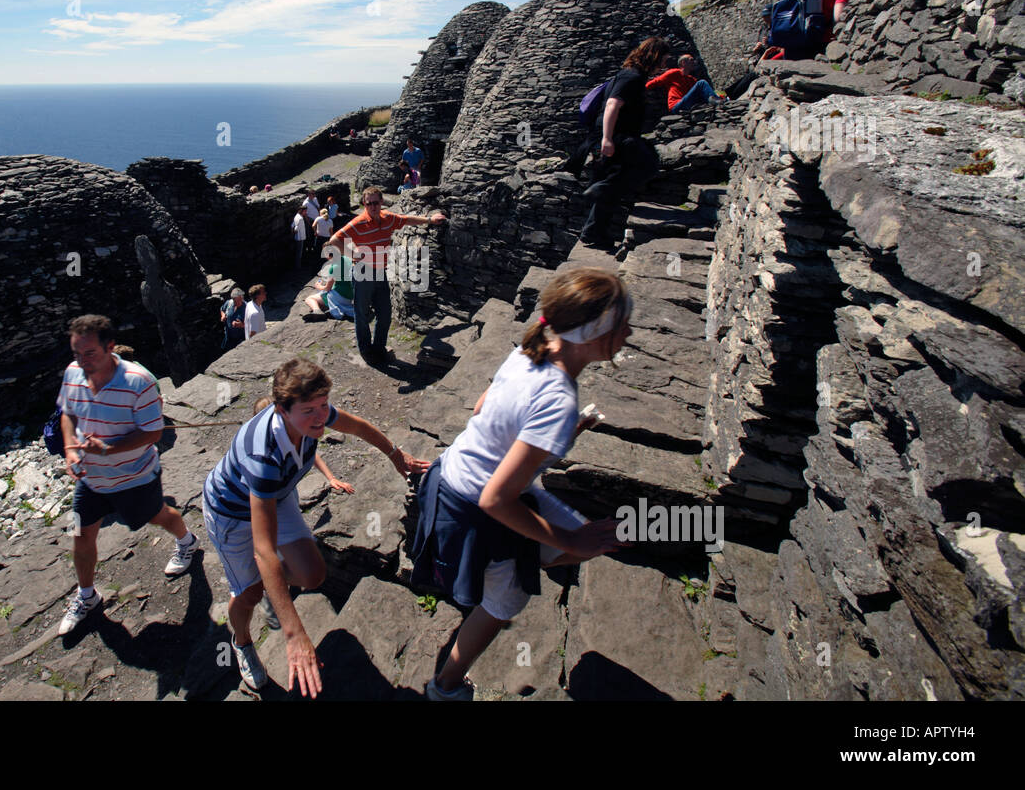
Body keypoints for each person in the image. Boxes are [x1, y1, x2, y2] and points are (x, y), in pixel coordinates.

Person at [411, 268, 633, 700]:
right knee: (504, 603)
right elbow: (497, 499)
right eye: (621, 323)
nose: (629, 331)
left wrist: (552, 439)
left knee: (569, 543)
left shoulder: (528, 352)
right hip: (476, 507)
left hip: (453, 474)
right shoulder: (558, 399)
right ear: (592, 333)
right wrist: (574, 539)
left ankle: (528, 559)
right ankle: (445, 687)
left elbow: (481, 411)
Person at [202, 358, 428, 694]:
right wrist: (294, 634)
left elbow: (359, 427)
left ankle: (270, 587)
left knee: (311, 575)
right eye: (309, 410)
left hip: (277, 495)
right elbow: (264, 548)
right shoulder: (263, 455)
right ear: (282, 409)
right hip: (231, 513)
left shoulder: (312, 415)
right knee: (249, 592)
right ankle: (243, 641)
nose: (321, 416)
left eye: (323, 405)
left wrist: (395, 454)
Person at [56, 315, 199, 636]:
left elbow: (152, 433)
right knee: (81, 535)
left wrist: (108, 448)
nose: (82, 361)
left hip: (135, 477)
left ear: (110, 347)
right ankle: (87, 595)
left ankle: (188, 542)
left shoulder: (139, 381)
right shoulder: (73, 373)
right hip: (92, 480)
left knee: (160, 516)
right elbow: (67, 412)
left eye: (89, 353)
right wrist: (69, 448)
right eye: (77, 354)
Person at [326, 187, 446, 364]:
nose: (372, 207)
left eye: (375, 203)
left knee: (385, 313)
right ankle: (367, 351)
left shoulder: (388, 219)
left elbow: (406, 220)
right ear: (364, 205)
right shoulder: (358, 222)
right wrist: (353, 255)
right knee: (361, 313)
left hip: (381, 272)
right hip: (362, 272)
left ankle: (379, 347)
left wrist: (429, 219)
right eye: (368, 204)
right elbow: (335, 240)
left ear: (381, 202)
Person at [575, 36, 670, 250]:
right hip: (617, 136)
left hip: (613, 135)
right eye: (663, 60)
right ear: (653, 57)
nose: (664, 66)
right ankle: (603, 190)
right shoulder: (632, 77)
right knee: (649, 162)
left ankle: (593, 232)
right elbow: (611, 105)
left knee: (612, 183)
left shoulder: (628, 75)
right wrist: (607, 139)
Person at [646, 54, 724, 112]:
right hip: (676, 105)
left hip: (688, 103)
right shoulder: (674, 73)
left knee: (702, 88)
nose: (694, 62)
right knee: (702, 83)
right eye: (691, 60)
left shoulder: (692, 79)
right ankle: (716, 101)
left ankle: (717, 99)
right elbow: (654, 82)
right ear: (683, 62)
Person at [303, 250, 355, 321]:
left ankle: (317, 311)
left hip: (339, 296)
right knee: (322, 295)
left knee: (310, 299)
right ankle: (326, 306)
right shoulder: (347, 259)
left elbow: (327, 288)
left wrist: (318, 285)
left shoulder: (334, 267)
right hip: (350, 295)